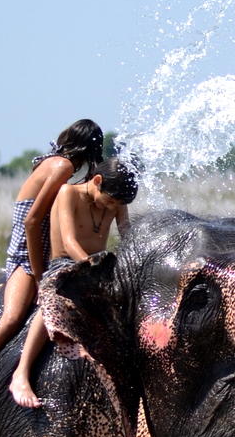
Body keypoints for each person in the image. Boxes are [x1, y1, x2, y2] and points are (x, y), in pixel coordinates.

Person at [0, 119, 104, 437]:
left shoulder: (54, 164)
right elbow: (32, 222)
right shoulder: (60, 166)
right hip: (25, 254)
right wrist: (39, 273)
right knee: (12, 319)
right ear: (89, 151)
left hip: (38, 252)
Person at [9, 157, 139, 409]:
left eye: (117, 205)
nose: (112, 207)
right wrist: (90, 268)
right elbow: (69, 241)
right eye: (110, 201)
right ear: (97, 180)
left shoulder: (118, 203)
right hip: (66, 264)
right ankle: (21, 372)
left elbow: (127, 236)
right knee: (54, 298)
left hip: (98, 264)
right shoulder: (68, 193)